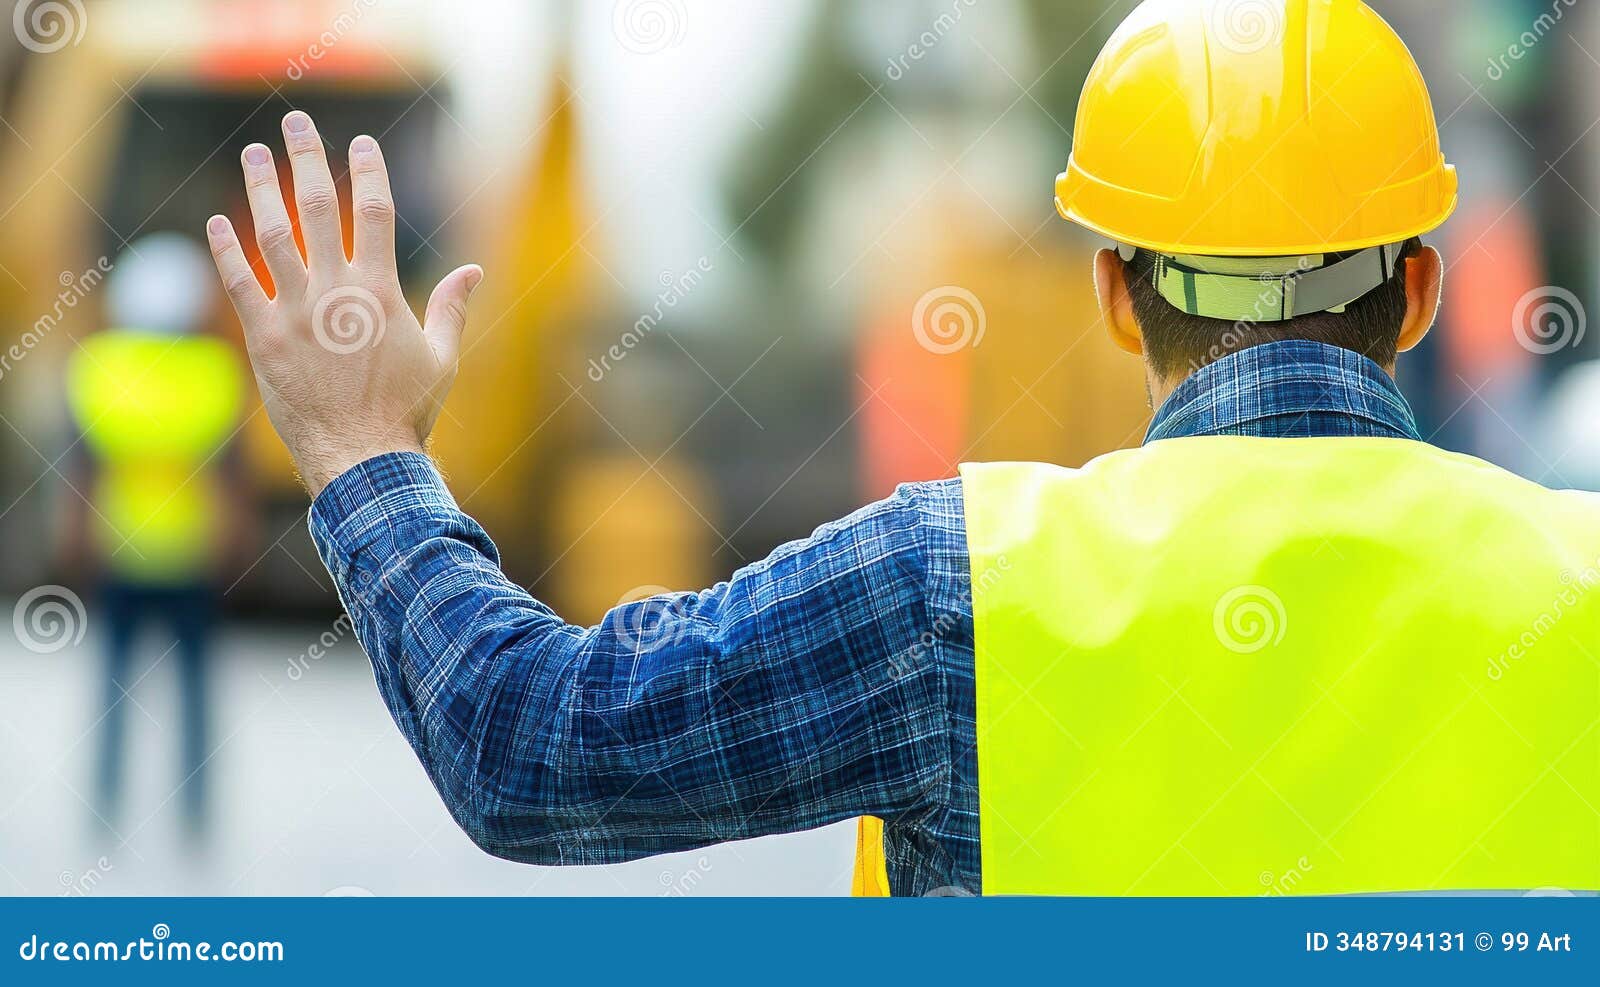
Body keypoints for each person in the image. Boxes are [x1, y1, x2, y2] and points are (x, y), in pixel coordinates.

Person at [203, 0, 1599, 896]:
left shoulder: (951, 586)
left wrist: (361, 445)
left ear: (1116, 295)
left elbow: (532, 746)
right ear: (1420, 290)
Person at [64, 233, 250, 844]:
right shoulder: (214, 372)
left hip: (119, 550)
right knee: (194, 689)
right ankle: (195, 813)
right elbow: (231, 474)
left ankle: (105, 804)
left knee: (114, 686)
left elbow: (82, 468)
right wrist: (235, 543)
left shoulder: (98, 367)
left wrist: (74, 540)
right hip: (191, 556)